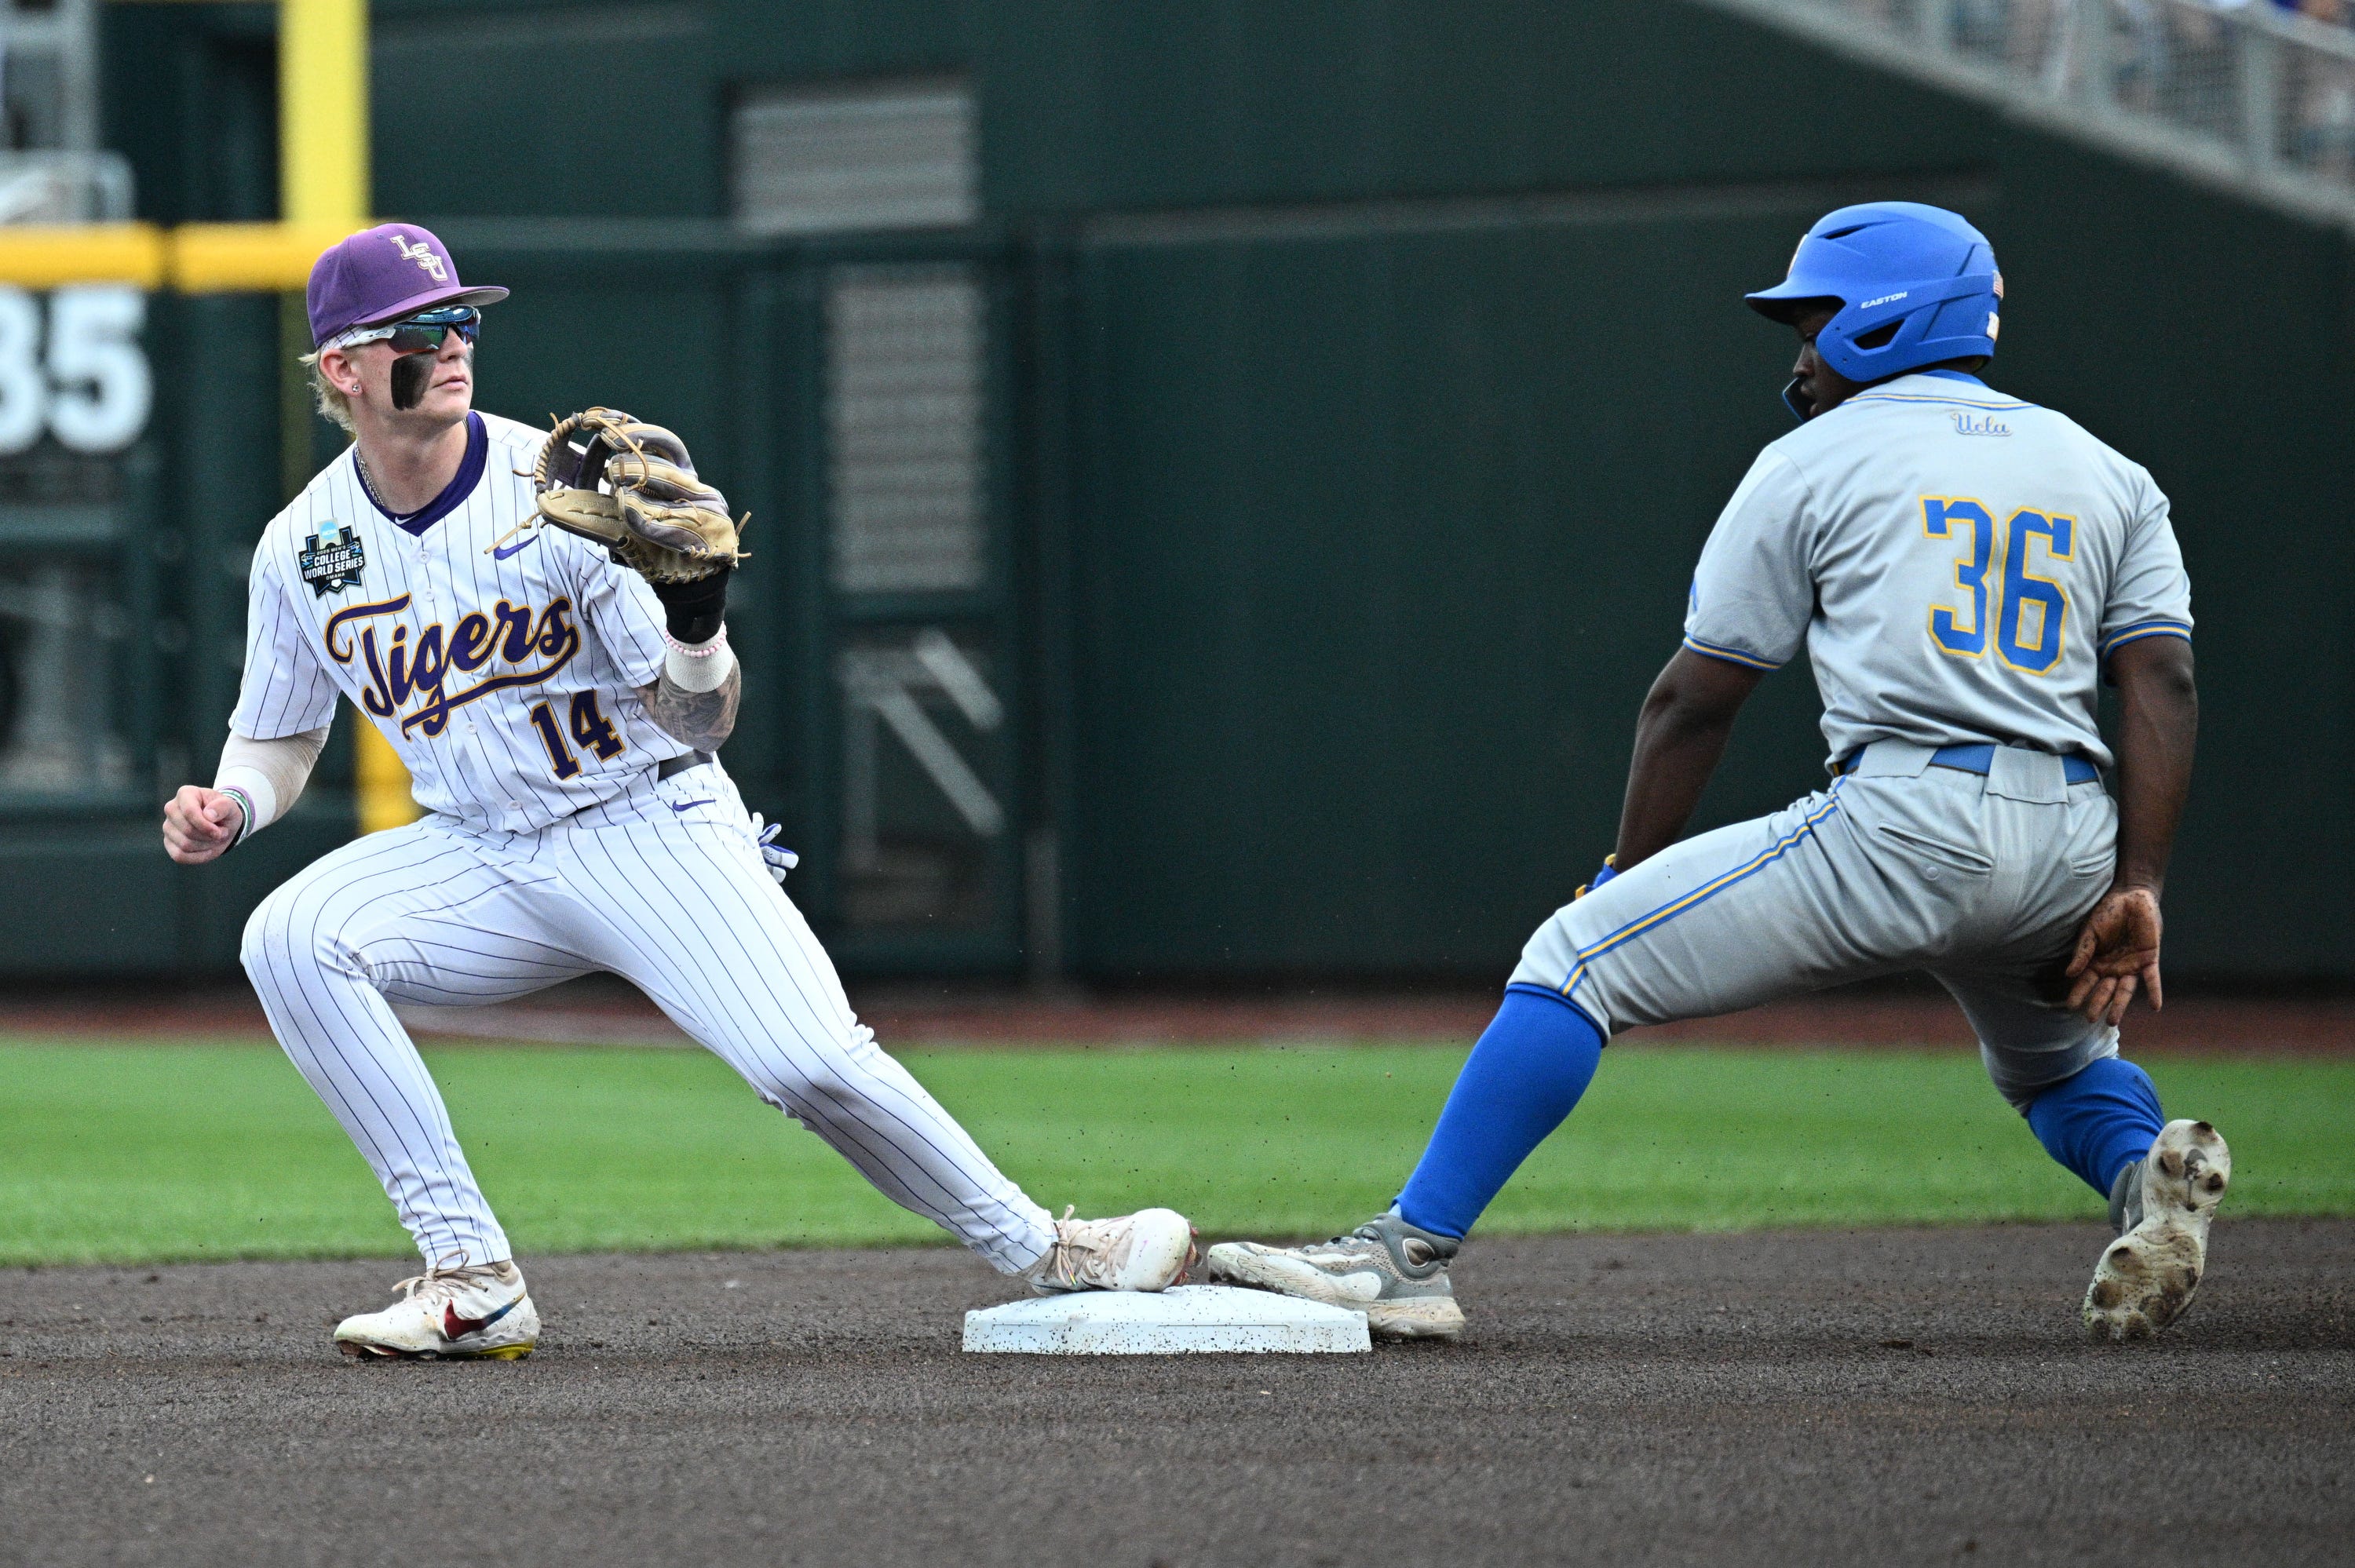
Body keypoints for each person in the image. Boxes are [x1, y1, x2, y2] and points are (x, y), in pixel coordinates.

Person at [160, 223, 1193, 1359]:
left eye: (465, 319)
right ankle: (470, 1271)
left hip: (646, 818)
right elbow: (278, 740)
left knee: (806, 1062)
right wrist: (234, 803)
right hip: (477, 848)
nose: (456, 343)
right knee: (291, 936)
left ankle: (1047, 1245)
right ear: (343, 369)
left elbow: (699, 718)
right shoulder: (302, 548)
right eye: (423, 328)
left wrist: (698, 626)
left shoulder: (557, 493)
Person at [1208, 202, 2228, 1345]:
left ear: (1886, 319)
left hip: (1907, 815)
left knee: (1574, 956)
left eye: (1815, 320)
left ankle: (1403, 1256)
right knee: (2058, 1065)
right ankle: (2148, 1179)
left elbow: (1693, 700)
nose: (1800, 353)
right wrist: (2138, 877)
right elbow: (2162, 686)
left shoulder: (1811, 460)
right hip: (2073, 833)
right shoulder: (2108, 470)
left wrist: (1624, 874)